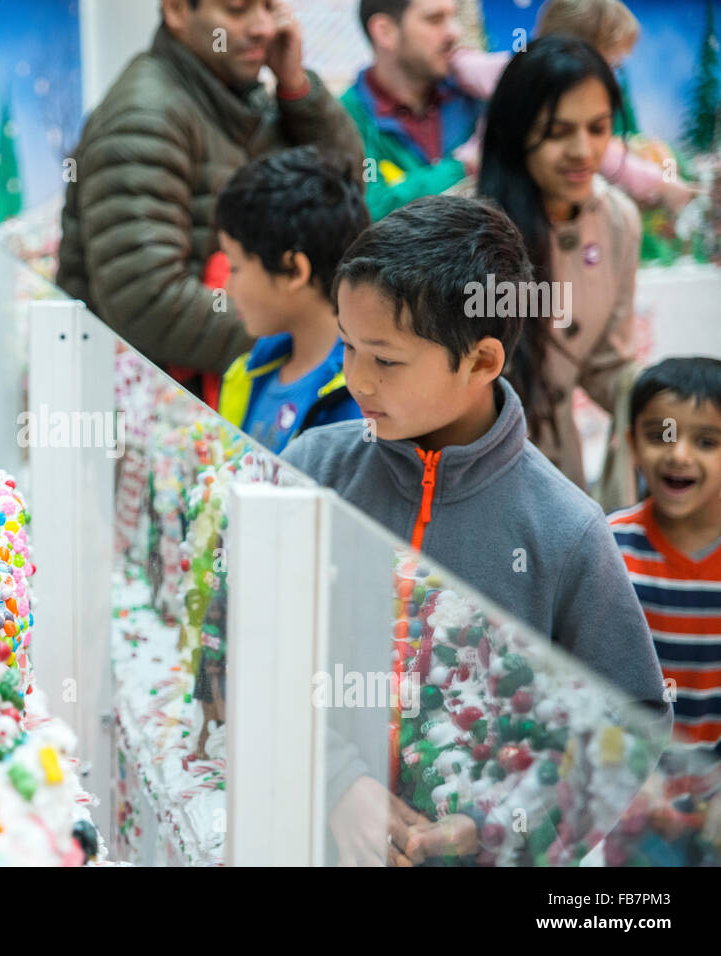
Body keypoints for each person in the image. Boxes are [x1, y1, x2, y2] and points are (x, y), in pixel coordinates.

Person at [282, 195, 668, 865]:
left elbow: (629, 730)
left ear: (483, 361)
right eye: (347, 344)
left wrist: (498, 827)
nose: (356, 377)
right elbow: (242, 637)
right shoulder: (313, 468)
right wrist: (338, 782)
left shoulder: (564, 530)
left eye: (386, 358)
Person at [57, 0, 364, 388]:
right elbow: (148, 303)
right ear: (177, 11)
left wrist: (297, 88)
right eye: (237, 10)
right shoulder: (145, 115)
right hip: (150, 406)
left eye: (270, 7)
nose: (264, 28)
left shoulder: (237, 95)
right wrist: (305, 336)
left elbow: (344, 199)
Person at [466, 35, 642, 491]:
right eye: (558, 132)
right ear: (515, 130)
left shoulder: (617, 222)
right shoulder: (461, 229)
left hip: (561, 481)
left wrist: (667, 396)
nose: (583, 151)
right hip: (474, 473)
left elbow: (607, 366)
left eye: (599, 128)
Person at [448, 0, 697, 214]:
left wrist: (453, 58)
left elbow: (468, 68)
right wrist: (661, 185)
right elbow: (608, 159)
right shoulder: (548, 88)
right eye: (611, 64)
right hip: (491, 183)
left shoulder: (509, 68)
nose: (611, 76)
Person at [214, 147, 370, 452]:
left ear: (294, 270)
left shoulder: (360, 403)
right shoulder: (251, 371)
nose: (228, 289)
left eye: (235, 268)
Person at [611, 358, 721, 754]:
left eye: (707, 442)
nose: (679, 455)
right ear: (632, 444)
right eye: (660, 435)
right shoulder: (608, 547)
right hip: (629, 775)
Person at [341, 0, 483, 221]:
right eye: (435, 20)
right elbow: (371, 211)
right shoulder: (347, 118)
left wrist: (503, 79)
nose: (454, 32)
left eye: (453, 17)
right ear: (385, 31)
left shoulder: (471, 97)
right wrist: (464, 166)